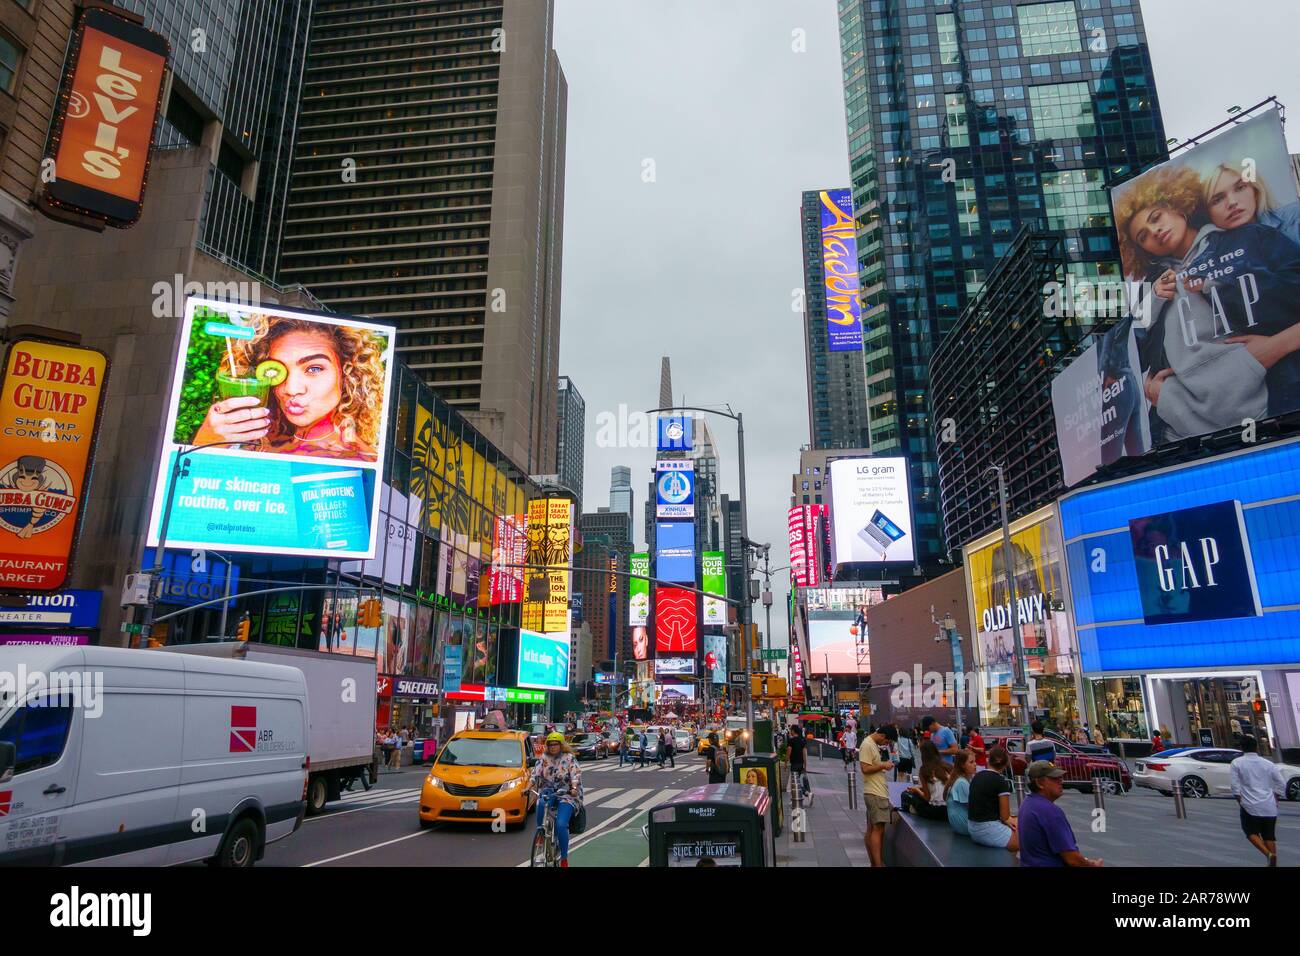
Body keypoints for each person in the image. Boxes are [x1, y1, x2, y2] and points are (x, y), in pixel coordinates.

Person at [193, 314, 387, 461]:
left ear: (347, 373)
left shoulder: (362, 460)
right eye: (278, 370)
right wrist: (205, 443)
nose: (291, 389)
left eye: (313, 368)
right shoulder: (257, 441)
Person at [1019, 761, 1102, 867]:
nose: (1060, 781)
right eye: (1054, 778)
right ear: (1039, 783)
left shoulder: (1027, 804)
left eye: (1060, 777)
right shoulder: (1049, 811)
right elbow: (1072, 858)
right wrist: (1092, 865)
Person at [529, 732, 584, 868]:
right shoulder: (544, 758)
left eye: (555, 744)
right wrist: (527, 788)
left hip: (567, 794)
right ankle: (541, 833)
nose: (553, 747)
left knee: (560, 824)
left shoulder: (569, 758)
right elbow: (534, 774)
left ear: (561, 745)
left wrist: (574, 788)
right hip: (549, 792)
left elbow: (575, 774)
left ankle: (564, 858)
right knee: (541, 803)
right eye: (550, 744)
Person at [1230, 735, 1285, 866]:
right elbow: (1281, 783)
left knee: (1250, 832)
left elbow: (1235, 786)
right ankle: (1273, 862)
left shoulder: (1237, 763)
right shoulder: (1268, 763)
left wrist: (1240, 800)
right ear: (1256, 747)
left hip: (1250, 804)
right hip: (1269, 804)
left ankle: (1268, 854)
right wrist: (1276, 797)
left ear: (1242, 748)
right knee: (1269, 835)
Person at [967, 747, 1019, 853]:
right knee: (1022, 836)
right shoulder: (1001, 781)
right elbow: (1005, 817)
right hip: (987, 830)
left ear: (988, 760)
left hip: (972, 827)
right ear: (1005, 765)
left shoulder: (977, 776)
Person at [859, 724, 897, 867]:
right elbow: (865, 768)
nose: (886, 744)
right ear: (882, 735)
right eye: (887, 742)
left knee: (871, 829)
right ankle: (878, 864)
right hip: (875, 793)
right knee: (878, 830)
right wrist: (883, 765)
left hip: (874, 791)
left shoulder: (871, 744)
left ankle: (874, 863)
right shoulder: (868, 744)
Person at [900, 740, 949, 821]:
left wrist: (917, 790)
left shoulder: (924, 770)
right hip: (947, 811)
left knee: (906, 795)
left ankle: (913, 809)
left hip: (934, 811)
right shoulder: (947, 766)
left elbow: (927, 797)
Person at [944, 750, 977, 837]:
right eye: (971, 762)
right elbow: (973, 808)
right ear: (962, 765)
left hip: (957, 826)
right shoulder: (962, 782)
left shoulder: (957, 779)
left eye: (975, 761)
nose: (975, 764)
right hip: (965, 825)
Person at [786, 721, 809, 793]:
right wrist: (805, 766)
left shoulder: (791, 741)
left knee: (794, 783)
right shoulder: (802, 741)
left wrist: (786, 763)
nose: (790, 731)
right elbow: (804, 754)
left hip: (794, 764)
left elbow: (788, 753)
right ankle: (797, 797)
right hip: (800, 764)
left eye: (790, 730)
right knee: (797, 781)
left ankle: (807, 793)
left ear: (793, 731)